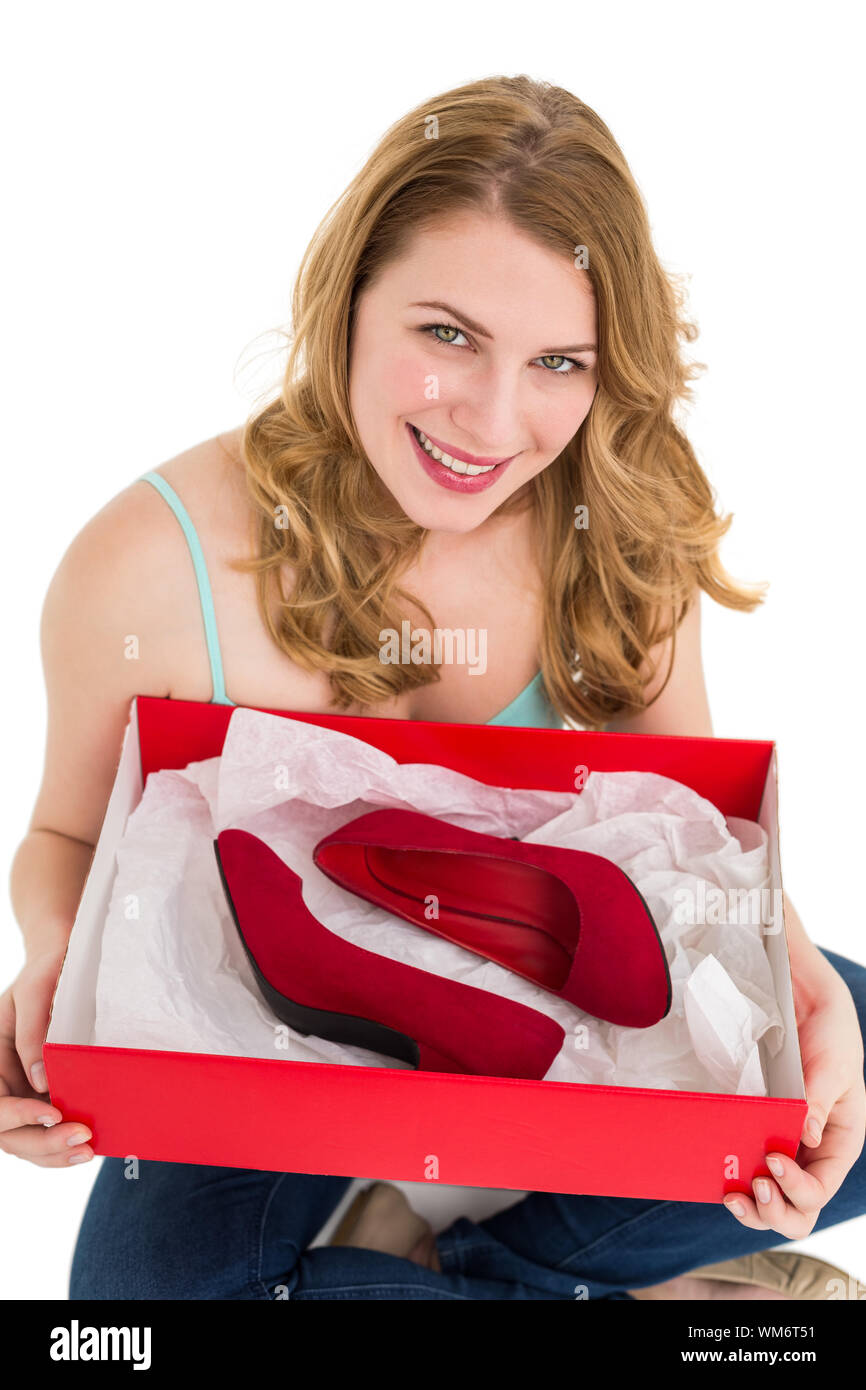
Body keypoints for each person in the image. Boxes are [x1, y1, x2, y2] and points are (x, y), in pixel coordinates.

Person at [3, 74, 864, 1301]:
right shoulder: (147, 564)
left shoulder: (610, 507)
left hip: (517, 993)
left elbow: (700, 849)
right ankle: (607, 1280)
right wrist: (51, 967)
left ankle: (468, 1260)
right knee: (135, 1316)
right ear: (348, 296)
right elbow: (66, 835)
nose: (492, 419)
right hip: (264, 1042)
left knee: (864, 1062)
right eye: (445, 333)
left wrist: (800, 994)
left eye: (558, 359)